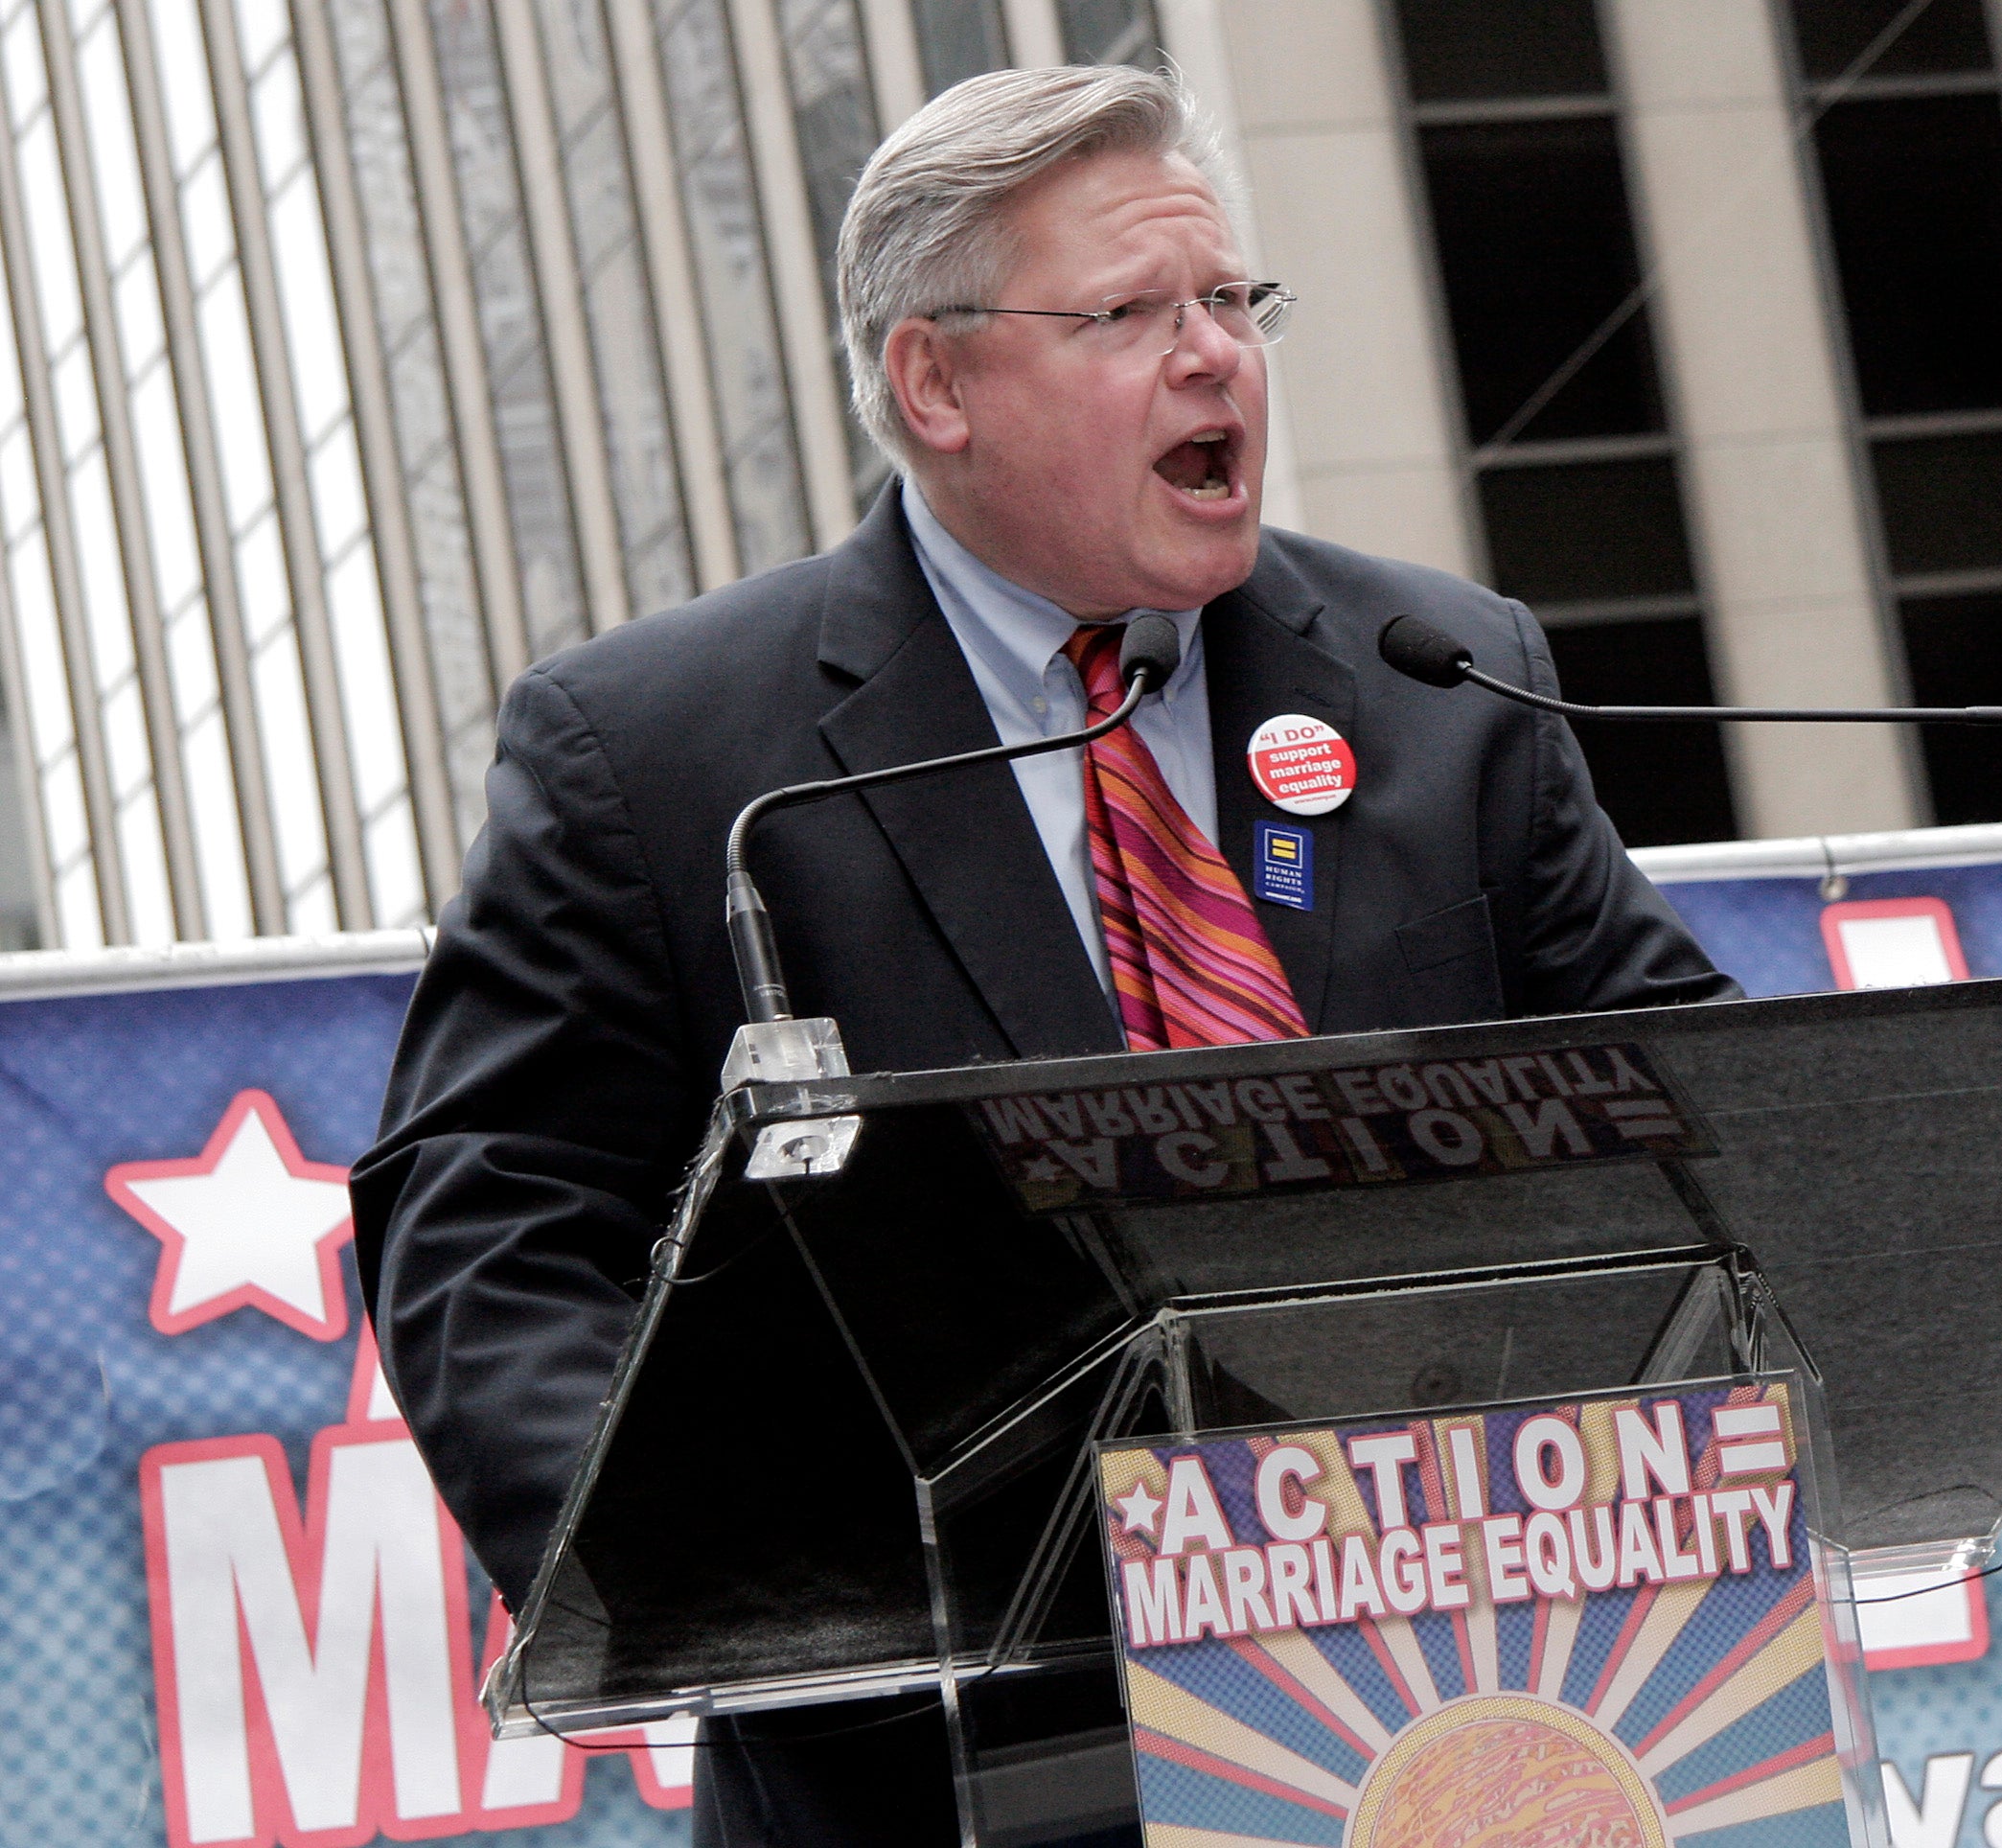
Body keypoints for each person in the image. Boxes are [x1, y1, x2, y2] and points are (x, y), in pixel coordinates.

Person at [347, 63, 1737, 1846]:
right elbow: (489, 1225)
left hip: (1468, 1728)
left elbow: (1694, 1114)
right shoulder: (668, 757)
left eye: (1232, 302)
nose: (1213, 355)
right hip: (939, 1776)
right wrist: (746, 1587)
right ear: (935, 382)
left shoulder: (1433, 681)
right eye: (1129, 312)